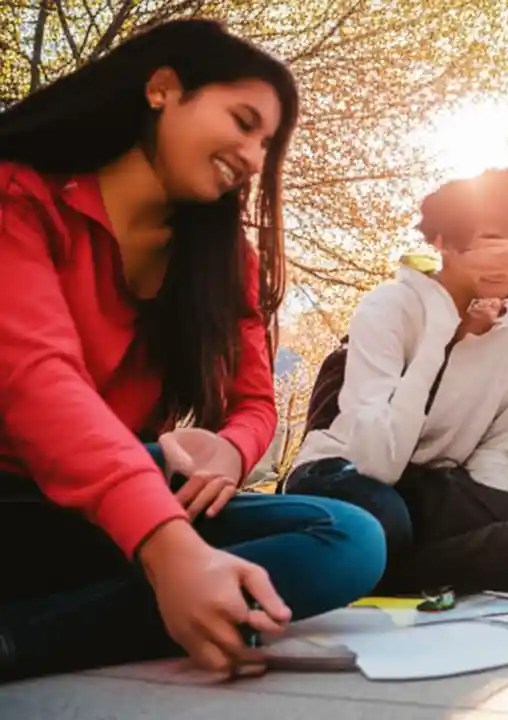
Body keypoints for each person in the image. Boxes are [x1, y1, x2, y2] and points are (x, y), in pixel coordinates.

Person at [0, 19, 386, 682]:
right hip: (26, 495)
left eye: (268, 145)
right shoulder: (20, 197)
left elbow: (256, 399)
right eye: (242, 122)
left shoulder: (222, 261)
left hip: (133, 498)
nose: (254, 158)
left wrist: (230, 449)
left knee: (352, 537)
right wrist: (166, 543)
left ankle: (35, 631)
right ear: (162, 89)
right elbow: (38, 380)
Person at [286, 168, 508, 587]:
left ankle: (407, 568)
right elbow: (378, 462)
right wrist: (442, 334)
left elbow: (495, 449)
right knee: (386, 520)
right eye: (491, 240)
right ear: (442, 243)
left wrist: (495, 521)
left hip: (432, 489)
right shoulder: (389, 308)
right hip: (344, 473)